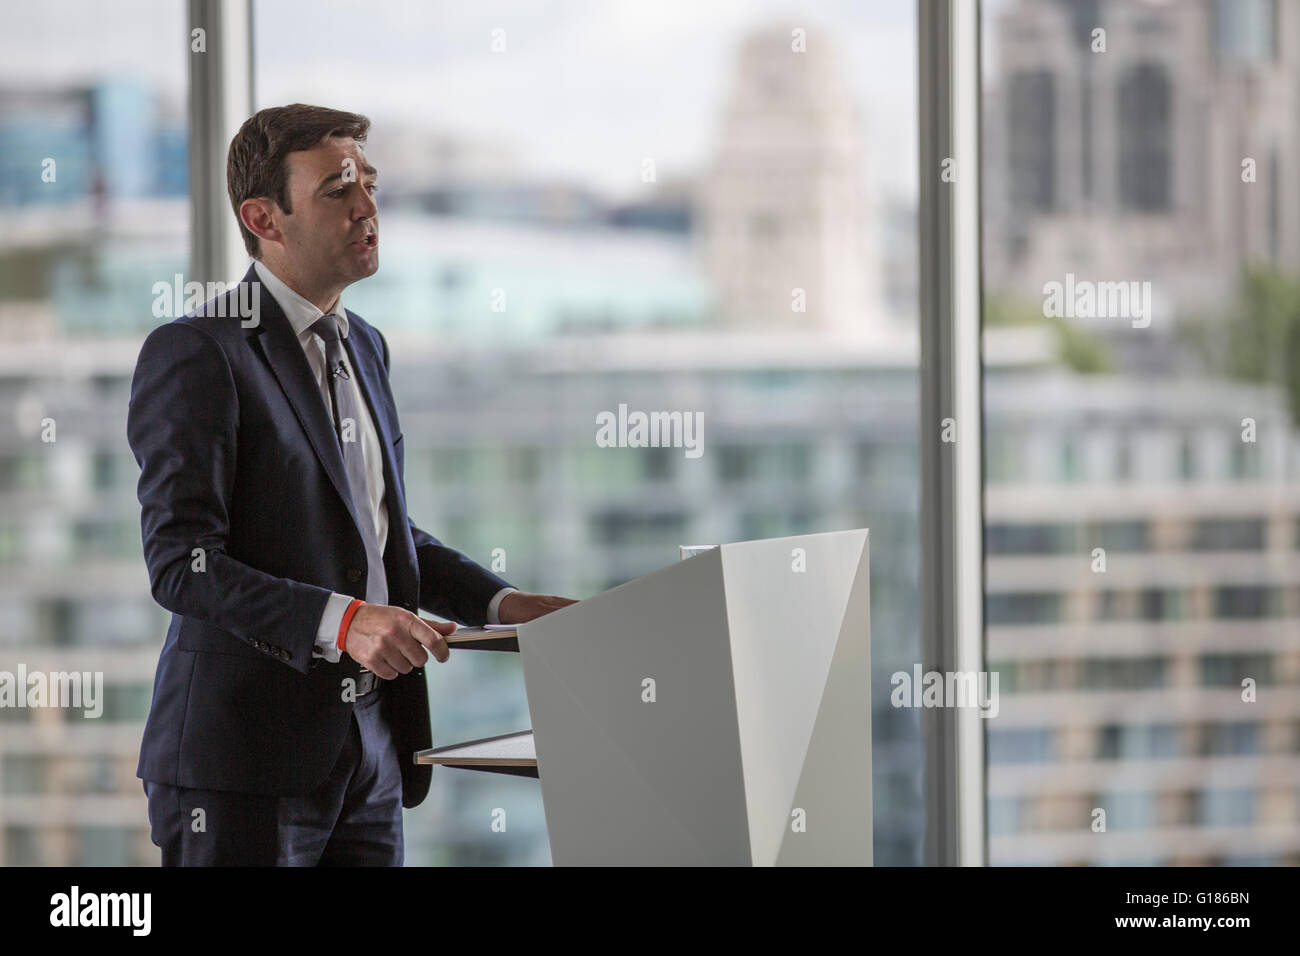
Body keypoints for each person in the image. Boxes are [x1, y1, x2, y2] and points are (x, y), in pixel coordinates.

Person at [127, 104, 575, 865]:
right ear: (263, 216)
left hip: (371, 750)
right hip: (243, 767)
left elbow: (375, 533)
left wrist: (501, 604)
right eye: (339, 189)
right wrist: (348, 622)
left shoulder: (364, 345)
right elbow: (180, 563)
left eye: (368, 183)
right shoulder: (196, 354)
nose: (368, 206)